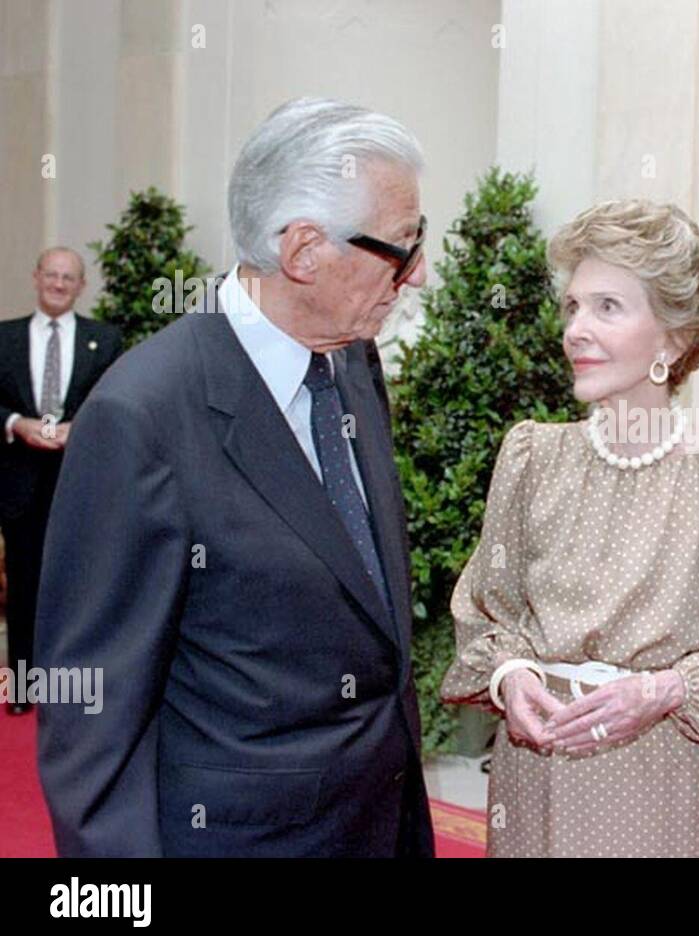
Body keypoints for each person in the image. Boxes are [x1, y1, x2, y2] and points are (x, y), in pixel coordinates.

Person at [35, 98, 435, 856]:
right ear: (305, 249)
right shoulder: (141, 415)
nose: (416, 276)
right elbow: (91, 717)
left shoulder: (352, 361)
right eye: (401, 249)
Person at [440, 199, 699, 856]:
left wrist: (663, 689)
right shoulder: (530, 457)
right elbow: (484, 612)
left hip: (654, 789)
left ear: (674, 336)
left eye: (608, 307)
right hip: (529, 783)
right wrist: (512, 676)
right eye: (573, 307)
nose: (576, 329)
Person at [0, 247, 121, 715]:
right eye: (51, 274)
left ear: (81, 285)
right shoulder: (5, 337)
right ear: (36, 277)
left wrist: (81, 428)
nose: (58, 283)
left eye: (68, 277)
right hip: (19, 484)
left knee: (81, 588)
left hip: (81, 482)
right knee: (26, 587)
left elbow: (114, 400)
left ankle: (72, 689)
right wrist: (16, 422)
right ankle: (27, 688)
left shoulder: (105, 339)